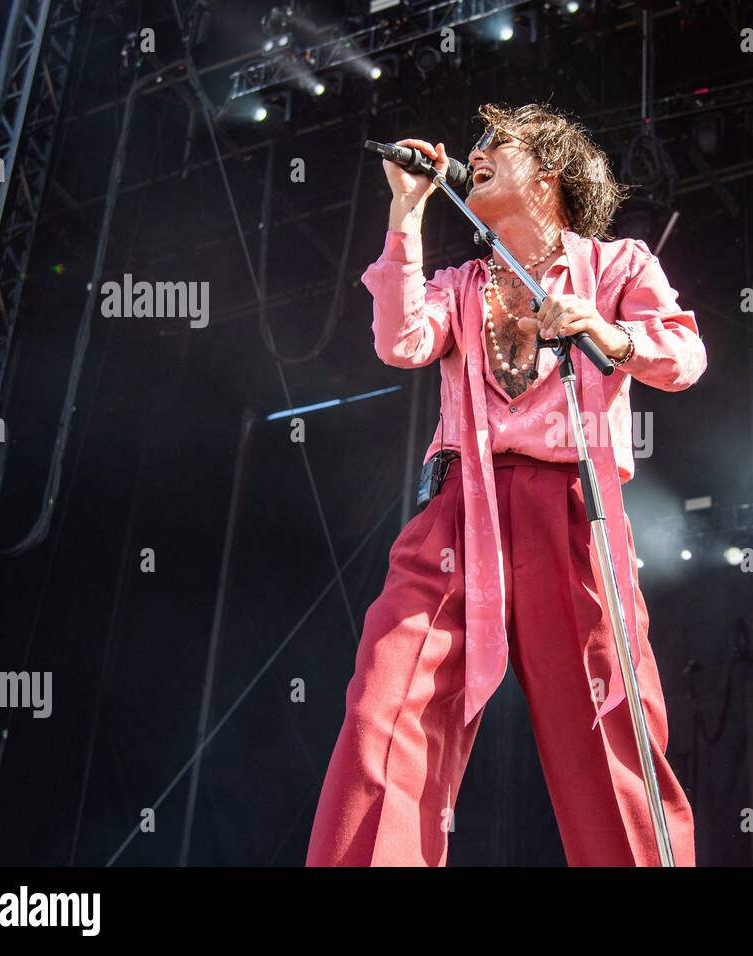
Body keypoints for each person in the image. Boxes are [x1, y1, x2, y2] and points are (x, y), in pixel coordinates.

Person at [305, 103, 706, 866]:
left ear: (547, 176)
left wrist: (600, 328)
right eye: (476, 142)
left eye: (497, 144)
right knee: (385, 712)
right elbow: (400, 341)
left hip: (571, 512)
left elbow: (683, 358)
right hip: (460, 513)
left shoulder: (616, 265)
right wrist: (405, 211)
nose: (475, 152)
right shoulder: (463, 283)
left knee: (607, 730)